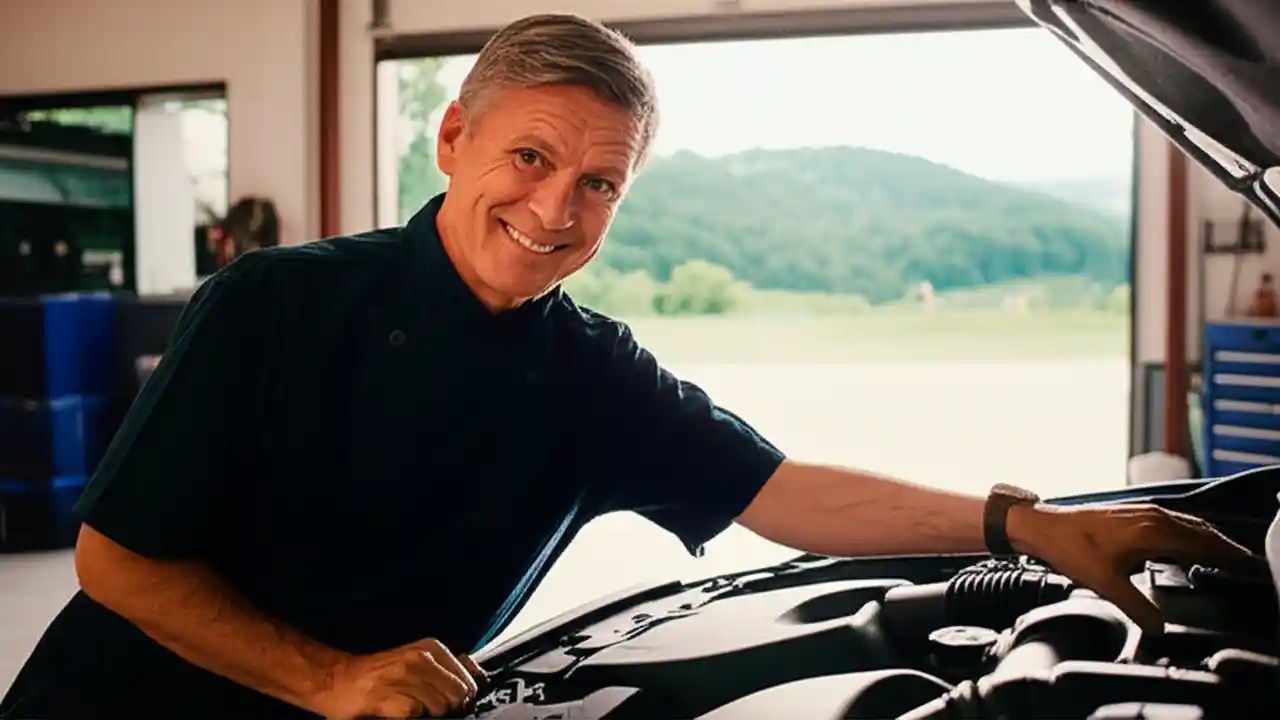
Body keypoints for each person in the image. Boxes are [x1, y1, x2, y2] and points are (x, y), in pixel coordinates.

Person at [1, 13, 1256, 720]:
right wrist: (326, 679)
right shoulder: (276, 301)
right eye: (530, 158)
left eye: (600, 182)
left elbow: (784, 493)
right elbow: (116, 558)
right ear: (453, 138)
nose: (556, 209)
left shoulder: (590, 376)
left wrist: (1026, 523)